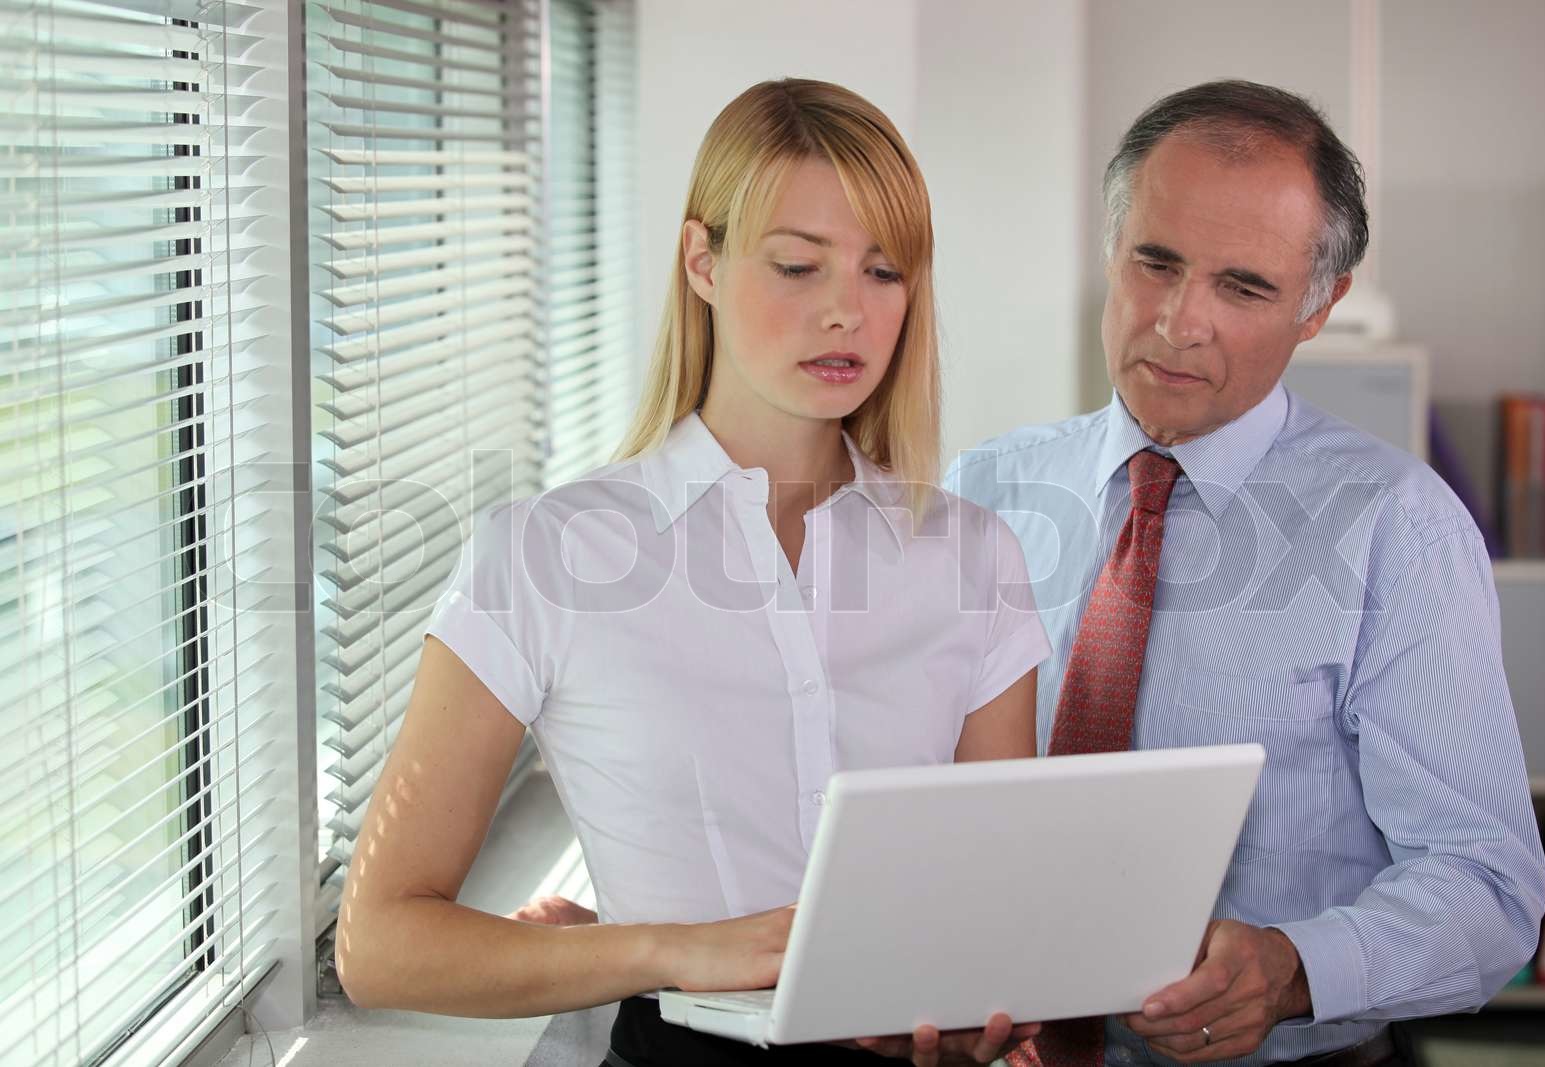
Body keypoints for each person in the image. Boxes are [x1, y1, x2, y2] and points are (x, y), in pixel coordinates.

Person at [333, 78, 1052, 1067]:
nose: (846, 310)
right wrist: (666, 949)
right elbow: (377, 944)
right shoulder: (549, 554)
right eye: (799, 265)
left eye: (883, 272)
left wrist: (979, 1013)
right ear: (701, 261)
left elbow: (992, 903)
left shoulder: (975, 556)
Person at [946, 81, 1545, 1067]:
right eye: (1155, 262)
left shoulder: (1397, 528)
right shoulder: (986, 485)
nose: (1181, 322)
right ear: (1110, 249)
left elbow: (1486, 883)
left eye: (1244, 287)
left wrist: (1293, 965)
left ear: (1319, 307)